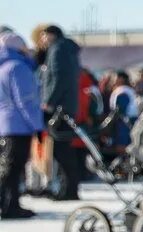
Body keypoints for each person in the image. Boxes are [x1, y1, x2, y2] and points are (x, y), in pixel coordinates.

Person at [36, 24, 84, 200]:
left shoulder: (58, 50)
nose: (42, 40)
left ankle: (68, 190)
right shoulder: (69, 50)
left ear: (51, 35)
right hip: (67, 105)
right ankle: (68, 189)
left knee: (61, 151)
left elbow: (58, 77)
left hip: (59, 108)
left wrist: (49, 101)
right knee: (64, 150)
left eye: (44, 36)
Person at [0, 31, 44, 219]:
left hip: (5, 124)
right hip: (18, 125)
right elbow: (26, 101)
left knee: (8, 168)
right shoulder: (18, 68)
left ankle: (8, 203)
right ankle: (11, 206)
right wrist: (38, 126)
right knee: (14, 168)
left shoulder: (3, 67)